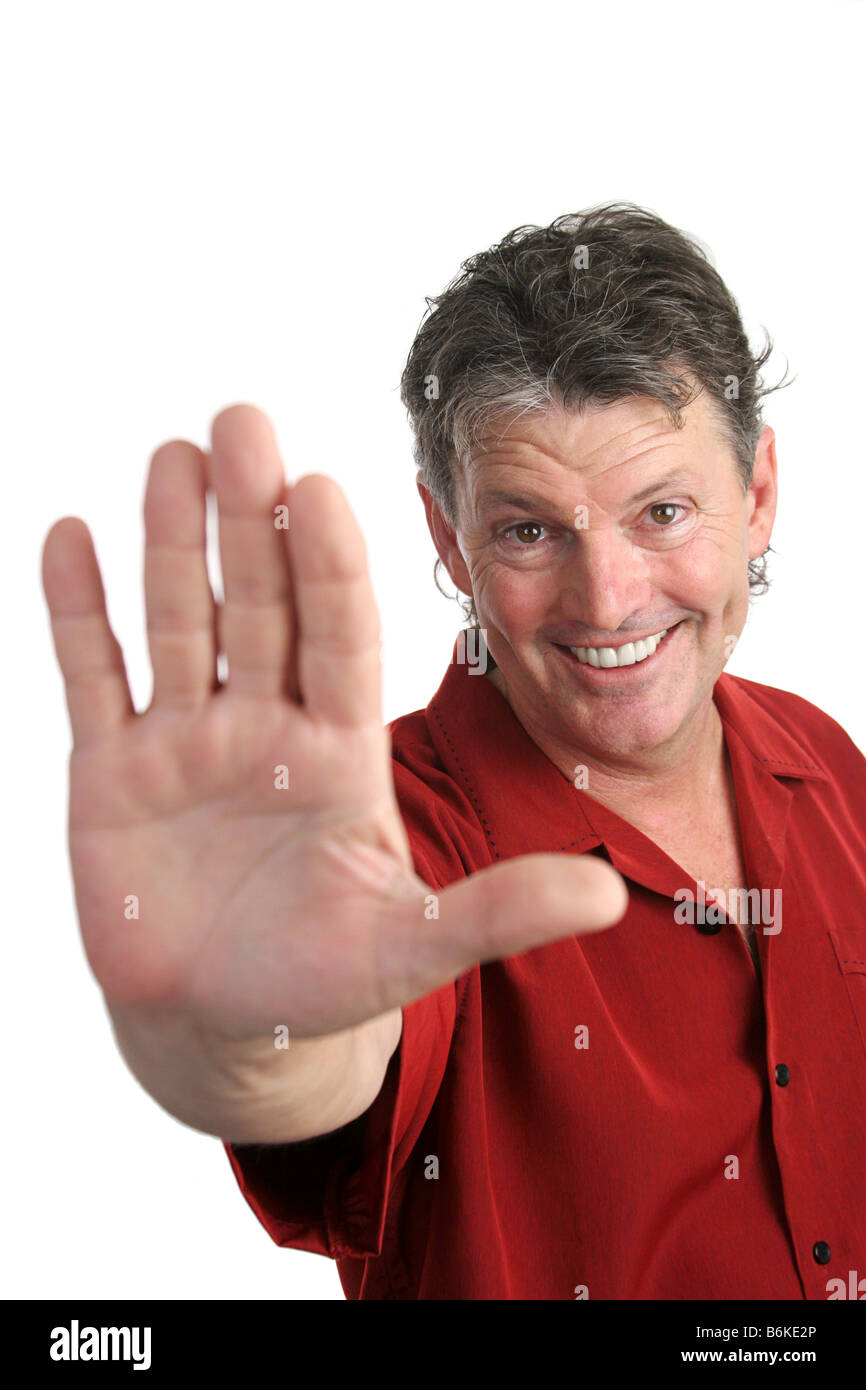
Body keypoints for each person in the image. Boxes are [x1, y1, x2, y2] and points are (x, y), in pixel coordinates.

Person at [42, 202, 866, 1301]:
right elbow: (323, 1050)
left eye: (662, 511)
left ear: (757, 494)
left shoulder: (822, 755)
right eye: (528, 529)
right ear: (447, 537)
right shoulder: (383, 839)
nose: (608, 597)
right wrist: (255, 1032)